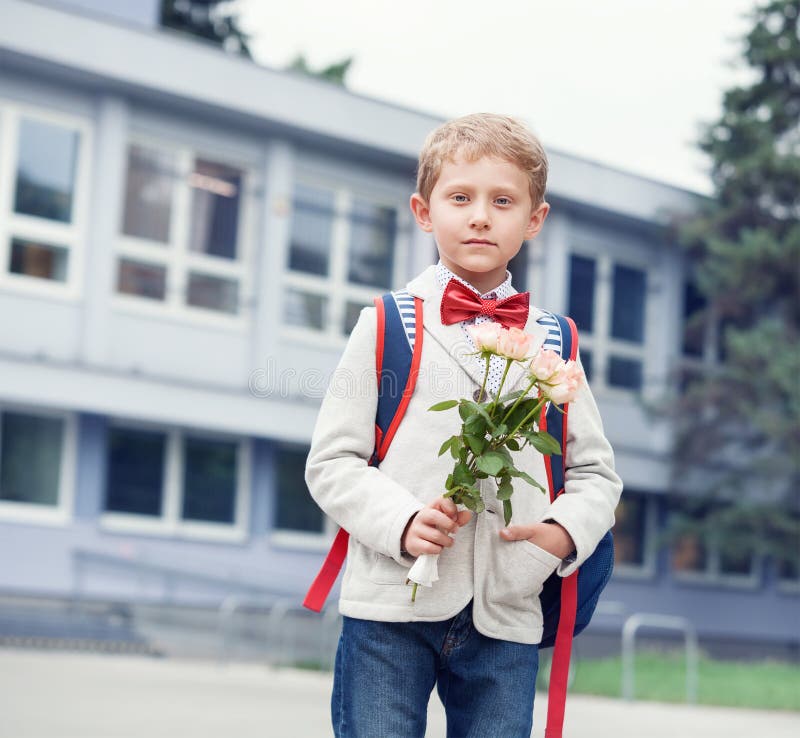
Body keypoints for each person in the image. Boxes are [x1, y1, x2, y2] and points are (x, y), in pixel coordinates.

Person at [305, 113, 622, 738]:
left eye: (503, 201)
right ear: (424, 212)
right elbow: (331, 463)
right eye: (461, 198)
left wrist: (562, 532)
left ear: (534, 220)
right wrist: (400, 521)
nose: (481, 216)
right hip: (390, 604)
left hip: (506, 608)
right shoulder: (386, 324)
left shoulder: (555, 341)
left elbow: (594, 474)